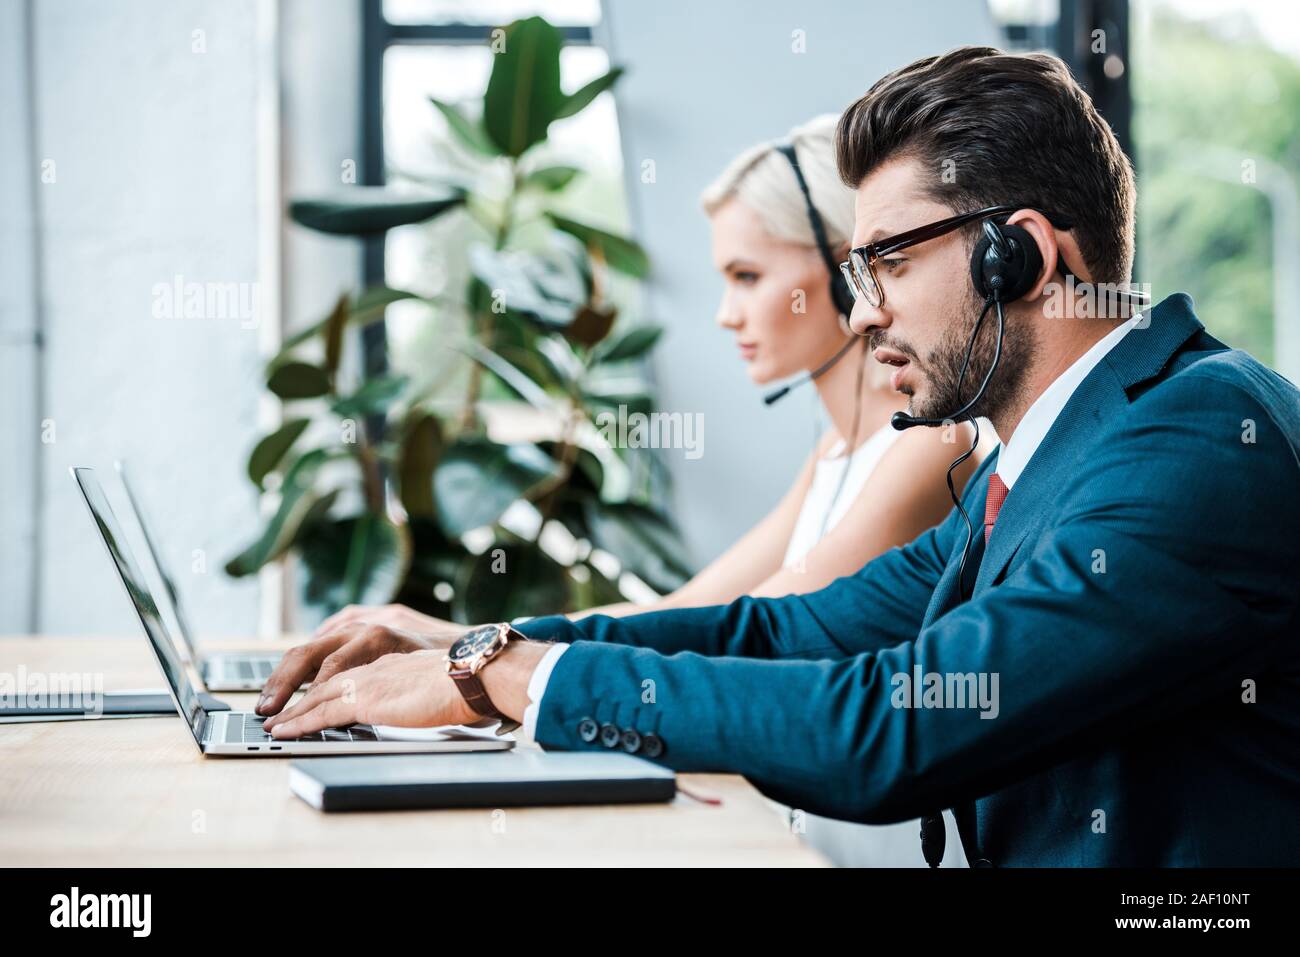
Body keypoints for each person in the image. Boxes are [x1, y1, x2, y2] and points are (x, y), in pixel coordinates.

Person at [257, 47, 1300, 866]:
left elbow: (894, 729)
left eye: (888, 259)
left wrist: (520, 680)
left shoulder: (1198, 445)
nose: (864, 309)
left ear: (1020, 253)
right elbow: (789, 630)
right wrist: (490, 646)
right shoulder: (1036, 458)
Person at [301, 117, 978, 866]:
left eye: (748, 277)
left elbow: (765, 625)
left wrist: (480, 655)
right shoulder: (837, 451)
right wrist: (457, 640)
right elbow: (684, 612)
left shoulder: (928, 449)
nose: (727, 314)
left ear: (843, 266)